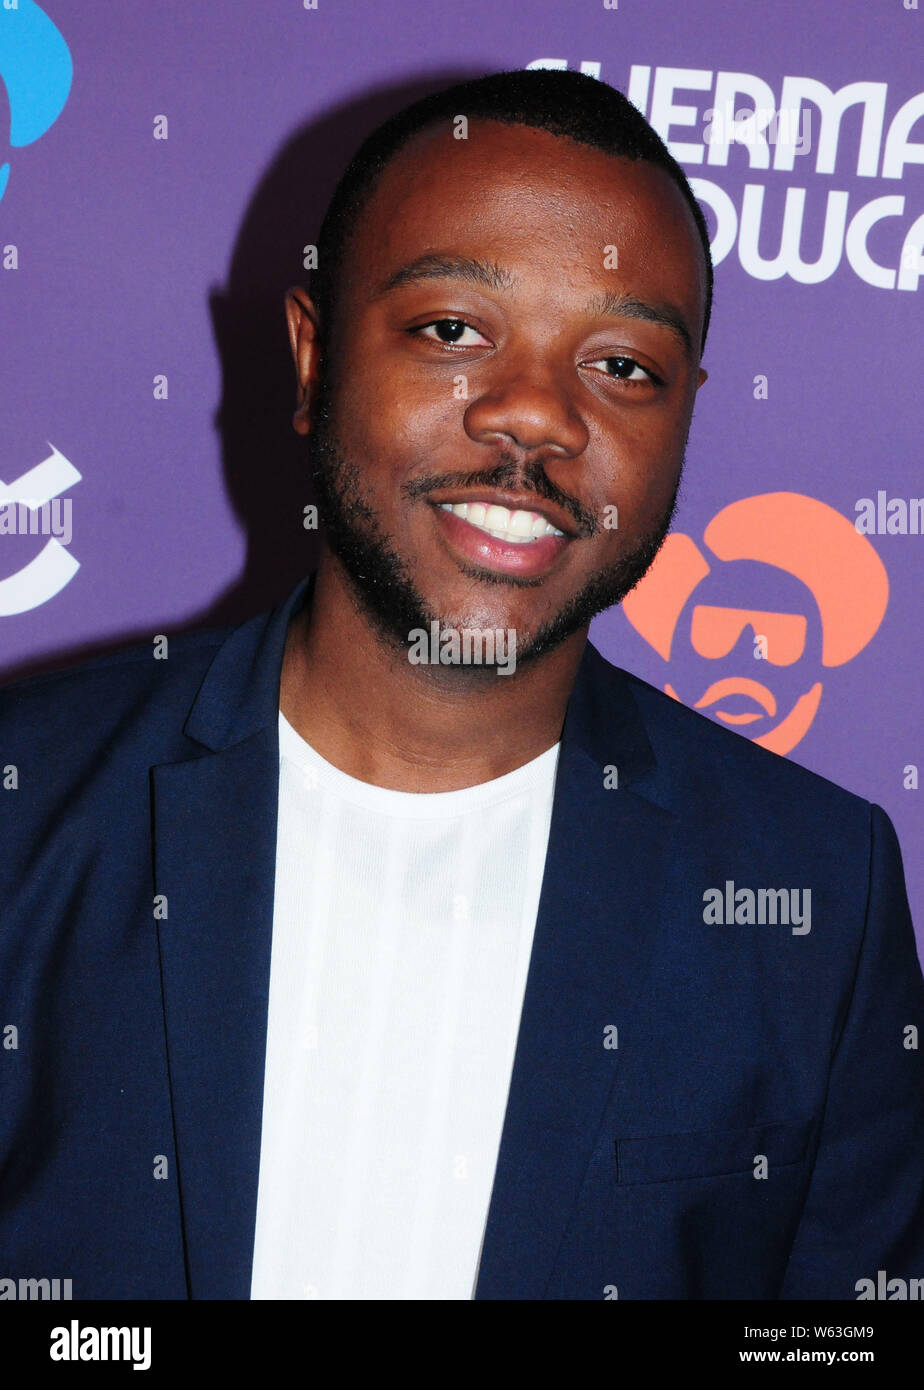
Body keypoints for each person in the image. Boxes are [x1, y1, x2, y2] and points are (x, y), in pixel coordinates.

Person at [1, 68, 921, 1302]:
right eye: (453, 331)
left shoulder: (815, 893)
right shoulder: (28, 804)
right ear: (313, 354)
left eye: (624, 365)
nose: (534, 415)